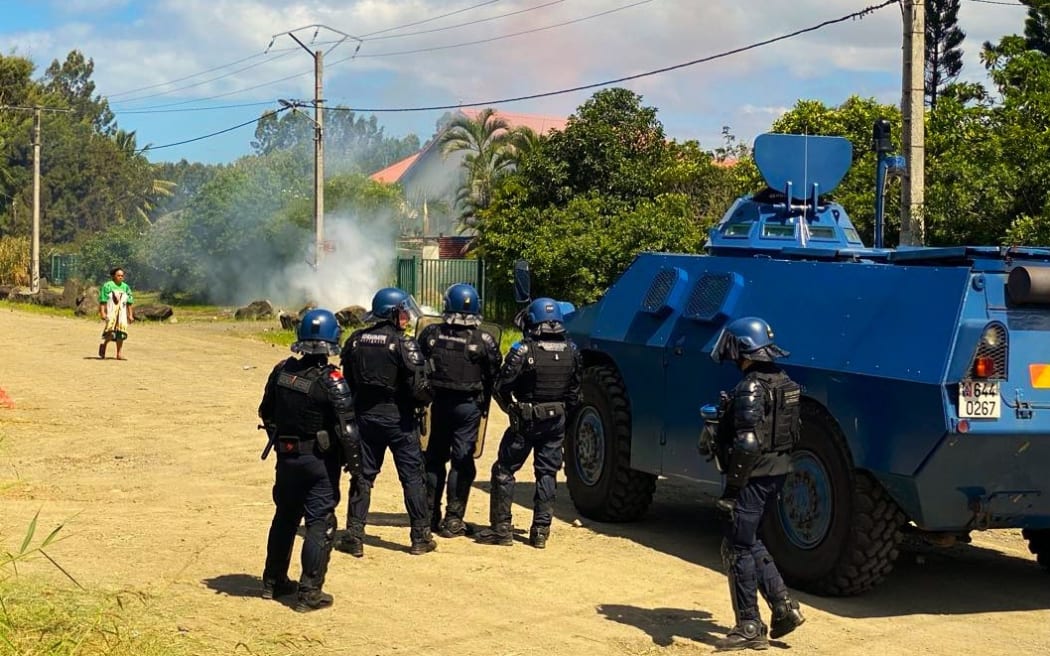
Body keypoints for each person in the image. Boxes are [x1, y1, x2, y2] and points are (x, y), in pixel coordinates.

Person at [708, 316, 806, 650]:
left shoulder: (751, 386)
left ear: (744, 348)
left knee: (736, 547)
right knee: (749, 540)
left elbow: (748, 442)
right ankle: (783, 607)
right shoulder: (785, 381)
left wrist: (732, 492)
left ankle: (749, 625)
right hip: (776, 472)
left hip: (754, 476)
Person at [258, 308, 360, 613]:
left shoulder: (282, 371)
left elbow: (266, 412)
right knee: (320, 523)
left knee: (285, 518)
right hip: (318, 461)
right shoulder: (332, 380)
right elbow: (349, 430)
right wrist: (356, 468)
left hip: (286, 458)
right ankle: (309, 593)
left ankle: (272, 582)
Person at [336, 287, 436, 556]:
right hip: (399, 421)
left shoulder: (355, 341)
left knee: (363, 476)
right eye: (402, 311)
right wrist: (428, 394)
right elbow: (420, 390)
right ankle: (420, 537)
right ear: (392, 313)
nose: (405, 317)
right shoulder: (405, 344)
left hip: (365, 419)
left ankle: (354, 536)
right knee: (413, 478)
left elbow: (348, 383)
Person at [477, 298, 581, 549]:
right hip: (556, 420)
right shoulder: (572, 350)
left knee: (504, 470)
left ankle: (502, 529)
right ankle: (541, 532)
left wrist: (511, 409)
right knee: (546, 473)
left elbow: (501, 387)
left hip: (526, 421)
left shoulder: (523, 350)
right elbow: (575, 394)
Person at [417, 283, 502, 538]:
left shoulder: (431, 334)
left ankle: (430, 516)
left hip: (439, 404)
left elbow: (418, 366)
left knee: (434, 459)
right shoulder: (483, 339)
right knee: (462, 462)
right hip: (468, 408)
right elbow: (495, 374)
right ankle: (454, 520)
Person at [98, 267, 134, 360]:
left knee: (121, 333)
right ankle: (104, 345)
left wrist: (130, 315)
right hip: (111, 313)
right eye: (118, 275)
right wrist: (102, 312)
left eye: (122, 276)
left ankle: (119, 353)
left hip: (122, 314)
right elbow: (103, 301)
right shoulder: (108, 286)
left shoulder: (126, 287)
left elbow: (129, 302)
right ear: (114, 276)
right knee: (110, 333)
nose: (121, 277)